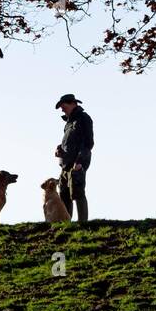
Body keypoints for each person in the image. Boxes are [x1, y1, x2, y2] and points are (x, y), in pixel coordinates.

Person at [54, 93, 94, 223]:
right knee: (64, 193)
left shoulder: (83, 118)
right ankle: (66, 224)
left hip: (77, 162)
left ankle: (82, 223)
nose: (62, 109)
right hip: (66, 163)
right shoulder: (68, 123)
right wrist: (60, 149)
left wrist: (80, 161)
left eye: (63, 106)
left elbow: (88, 143)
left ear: (73, 103)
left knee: (77, 192)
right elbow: (69, 142)